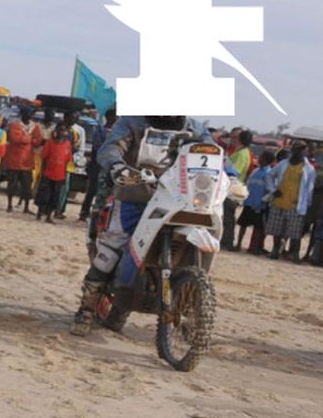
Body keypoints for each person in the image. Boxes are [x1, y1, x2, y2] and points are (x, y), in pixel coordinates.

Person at [70, 114, 216, 334]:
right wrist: (117, 166)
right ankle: (86, 310)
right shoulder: (132, 122)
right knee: (111, 250)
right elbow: (111, 148)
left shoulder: (195, 128)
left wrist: (231, 175)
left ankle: (193, 308)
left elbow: (213, 154)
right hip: (134, 196)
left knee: (197, 244)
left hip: (178, 199)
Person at [262, 144, 314, 260]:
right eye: (297, 150)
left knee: (295, 232)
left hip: (296, 204)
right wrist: (273, 190)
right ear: (293, 150)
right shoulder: (283, 164)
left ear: (306, 153)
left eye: (302, 151)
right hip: (279, 201)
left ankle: (294, 254)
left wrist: (307, 204)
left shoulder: (309, 168)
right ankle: (275, 251)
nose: (299, 153)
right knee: (276, 230)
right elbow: (269, 175)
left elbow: (309, 188)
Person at [35, 119, 75, 222]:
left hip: (59, 175)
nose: (62, 132)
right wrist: (43, 172)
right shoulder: (49, 143)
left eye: (64, 130)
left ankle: (49, 216)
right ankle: (40, 212)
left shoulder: (67, 145)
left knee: (55, 196)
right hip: (48, 173)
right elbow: (44, 158)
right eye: (60, 130)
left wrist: (64, 175)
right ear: (56, 131)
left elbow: (67, 161)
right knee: (44, 194)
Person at [221, 128, 255, 249]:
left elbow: (235, 172)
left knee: (228, 217)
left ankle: (227, 241)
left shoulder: (242, 154)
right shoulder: (241, 152)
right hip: (231, 188)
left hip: (232, 190)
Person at [2, 112, 38, 212]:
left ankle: (26, 207)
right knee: (12, 185)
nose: (29, 116)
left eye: (31, 115)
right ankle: (9, 205)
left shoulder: (34, 127)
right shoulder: (15, 125)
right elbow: (15, 139)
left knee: (27, 186)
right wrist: (29, 138)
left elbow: (38, 140)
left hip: (27, 162)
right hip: (14, 161)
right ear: (23, 115)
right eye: (28, 114)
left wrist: (25, 139)